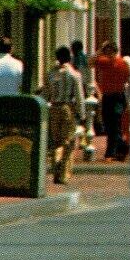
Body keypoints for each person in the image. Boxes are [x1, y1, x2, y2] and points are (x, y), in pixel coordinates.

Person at [39, 44, 85, 187]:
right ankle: (62, 172)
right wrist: (81, 114)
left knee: (56, 139)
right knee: (67, 140)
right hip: (67, 108)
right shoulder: (74, 75)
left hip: (53, 108)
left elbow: (45, 93)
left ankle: (55, 164)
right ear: (69, 57)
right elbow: (79, 96)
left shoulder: (51, 74)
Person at [92, 40, 130, 161]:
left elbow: (128, 81)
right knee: (108, 124)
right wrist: (101, 49)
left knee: (115, 124)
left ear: (114, 51)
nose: (106, 54)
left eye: (108, 51)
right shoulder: (104, 62)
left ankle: (111, 153)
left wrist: (128, 100)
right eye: (106, 51)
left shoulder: (122, 63)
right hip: (107, 97)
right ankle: (122, 148)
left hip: (118, 96)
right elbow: (91, 62)